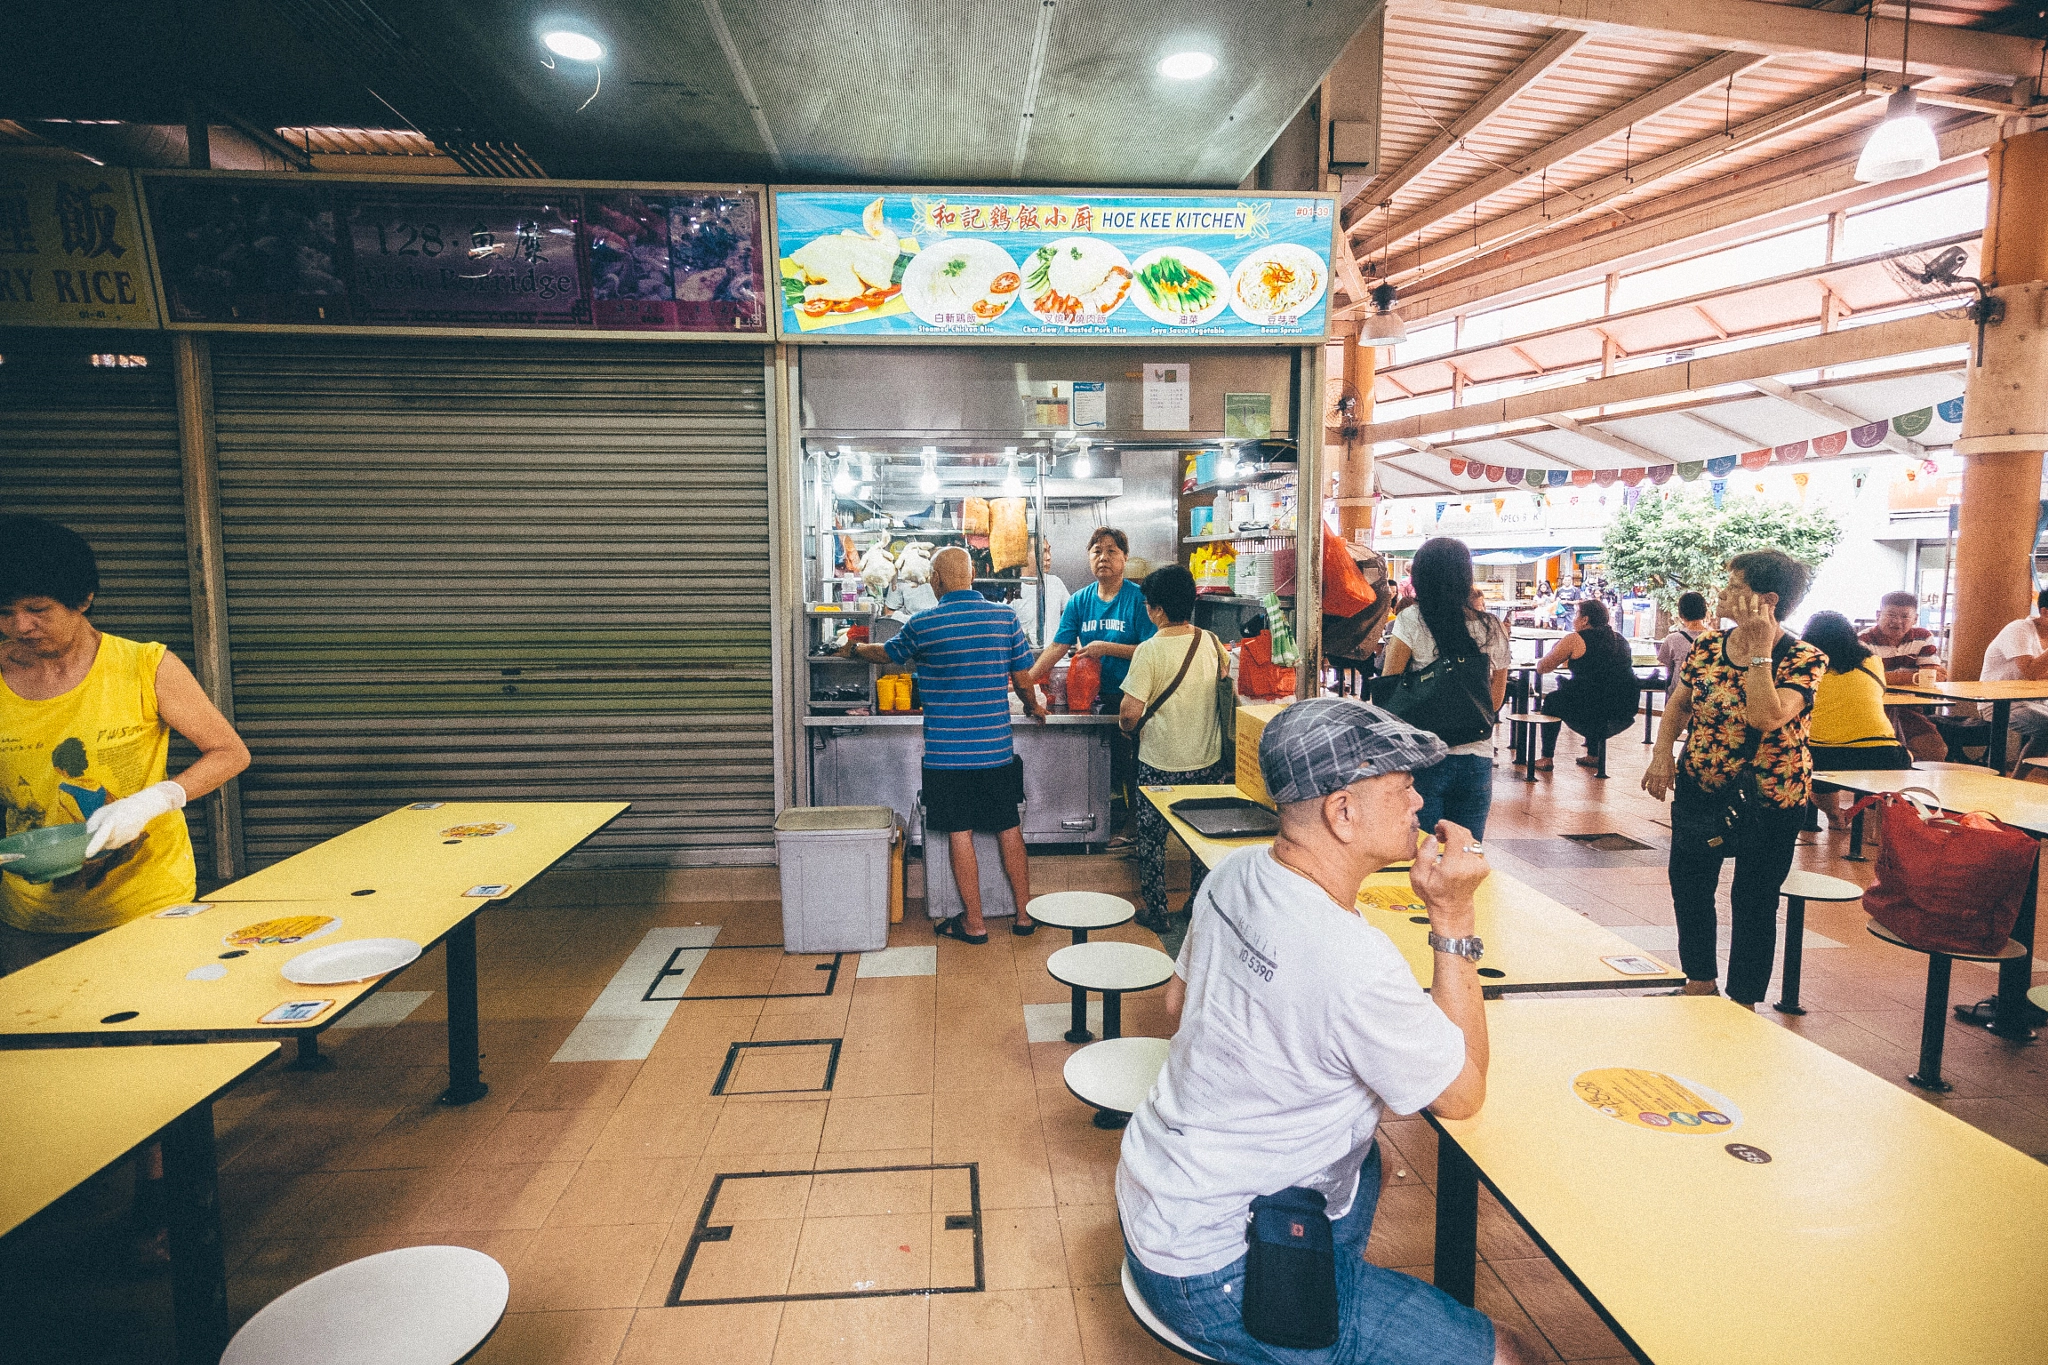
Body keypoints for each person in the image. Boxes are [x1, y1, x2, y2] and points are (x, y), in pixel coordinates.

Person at [1117, 698, 1531, 1365]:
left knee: (1371, 1158)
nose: (1420, 800)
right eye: (1401, 788)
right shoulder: (1355, 962)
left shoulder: (1233, 872)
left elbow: (1175, 1005)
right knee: (1509, 1356)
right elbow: (1461, 1095)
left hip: (1153, 1193)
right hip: (1215, 1270)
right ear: (1342, 811)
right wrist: (1452, 917)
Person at [1, 516, 251, 974]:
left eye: (38, 609)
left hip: (147, 901)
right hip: (29, 913)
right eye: (4, 612)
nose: (21, 626)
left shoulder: (145, 665)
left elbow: (230, 752)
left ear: (83, 599)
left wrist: (155, 800)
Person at [1643, 550, 1828, 1007]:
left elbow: (1766, 716)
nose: (1722, 593)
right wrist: (1662, 752)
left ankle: (1743, 1000)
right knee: (1688, 882)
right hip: (1702, 783)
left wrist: (1761, 651)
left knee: (1755, 899)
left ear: (1766, 600)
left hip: (1770, 796)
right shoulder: (1706, 646)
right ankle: (1699, 978)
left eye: (1734, 586)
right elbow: (1682, 704)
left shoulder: (1804, 657)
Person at [844, 547, 1041, 943]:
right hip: (996, 751)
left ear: (936, 580)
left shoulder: (924, 623)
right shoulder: (1004, 618)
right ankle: (1023, 916)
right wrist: (1034, 706)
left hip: (947, 756)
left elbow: (886, 654)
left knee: (960, 833)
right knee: (1008, 828)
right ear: (971, 577)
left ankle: (976, 924)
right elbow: (1023, 679)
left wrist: (853, 648)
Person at [1119, 566, 1230, 931]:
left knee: (1152, 842)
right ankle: (1197, 905)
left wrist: (1127, 729)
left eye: (1149, 605)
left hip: (1159, 765)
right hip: (1207, 763)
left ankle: (1157, 910)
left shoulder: (1149, 651)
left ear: (1160, 610)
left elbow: (1129, 712)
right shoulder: (1212, 642)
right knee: (1201, 840)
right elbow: (1224, 681)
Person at [1030, 526, 1155, 845]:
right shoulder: (1080, 600)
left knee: (1134, 764)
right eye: (1097, 551)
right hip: (1096, 697)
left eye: (1112, 551)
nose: (1104, 557)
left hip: (1134, 696)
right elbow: (1059, 645)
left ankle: (1134, 828)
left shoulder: (1139, 600)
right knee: (1105, 764)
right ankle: (1108, 823)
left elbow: (1152, 650)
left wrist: (1106, 647)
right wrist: (1026, 680)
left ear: (1125, 558)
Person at [1382, 537, 1509, 839]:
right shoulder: (1491, 625)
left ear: (1420, 577)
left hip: (1426, 756)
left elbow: (1391, 685)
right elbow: (1496, 697)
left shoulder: (1411, 619)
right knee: (1466, 851)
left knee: (1422, 851)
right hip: (1477, 757)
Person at [1802, 611, 1912, 825]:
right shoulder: (1872, 662)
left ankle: (1834, 816)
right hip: (1882, 754)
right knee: (1903, 755)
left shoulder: (1804, 666)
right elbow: (1878, 694)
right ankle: (1880, 829)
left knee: (1812, 772)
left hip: (1823, 755)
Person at [1534, 599, 1642, 770]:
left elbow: (1543, 667)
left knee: (1553, 701)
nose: (1574, 619)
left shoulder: (1575, 639)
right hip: (1624, 707)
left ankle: (1546, 757)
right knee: (1595, 691)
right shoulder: (1620, 639)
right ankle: (1593, 754)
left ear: (1585, 619)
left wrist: (1559, 648)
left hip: (1589, 709)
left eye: (1577, 615)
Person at [1979, 588, 2048, 761]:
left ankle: (2019, 780)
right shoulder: (2019, 629)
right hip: (1998, 704)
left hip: (2036, 702)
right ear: (2045, 612)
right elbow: (2031, 672)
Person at [1861, 590, 1942, 684]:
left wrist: (1887, 677)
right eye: (1891, 615)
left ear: (1915, 619)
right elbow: (1864, 678)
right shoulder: (1863, 640)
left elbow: (1932, 675)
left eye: (1904, 617)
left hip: (1915, 698)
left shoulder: (1923, 637)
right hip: (1876, 697)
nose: (1897, 621)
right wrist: (1914, 677)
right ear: (1878, 615)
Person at [1011, 535, 1070, 649]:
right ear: (1024, 555)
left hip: (1054, 659)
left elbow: (1073, 618)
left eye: (1049, 551)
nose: (1048, 557)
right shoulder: (1010, 590)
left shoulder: (1055, 583)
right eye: (1043, 551)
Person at [1656, 591, 1711, 675]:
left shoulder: (1672, 640)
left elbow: (1668, 670)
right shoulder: (1716, 639)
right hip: (1705, 688)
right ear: (1704, 612)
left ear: (1680, 614)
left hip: (1679, 687)